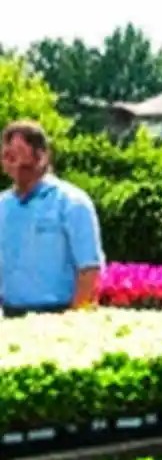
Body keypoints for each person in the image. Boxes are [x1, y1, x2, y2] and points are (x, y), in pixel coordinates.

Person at [0, 120, 105, 317]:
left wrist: (73, 321)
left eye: (17, 153)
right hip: (9, 315)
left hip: (57, 315)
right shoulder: (3, 206)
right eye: (6, 155)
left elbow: (89, 269)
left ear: (42, 156)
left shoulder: (71, 203)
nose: (10, 161)